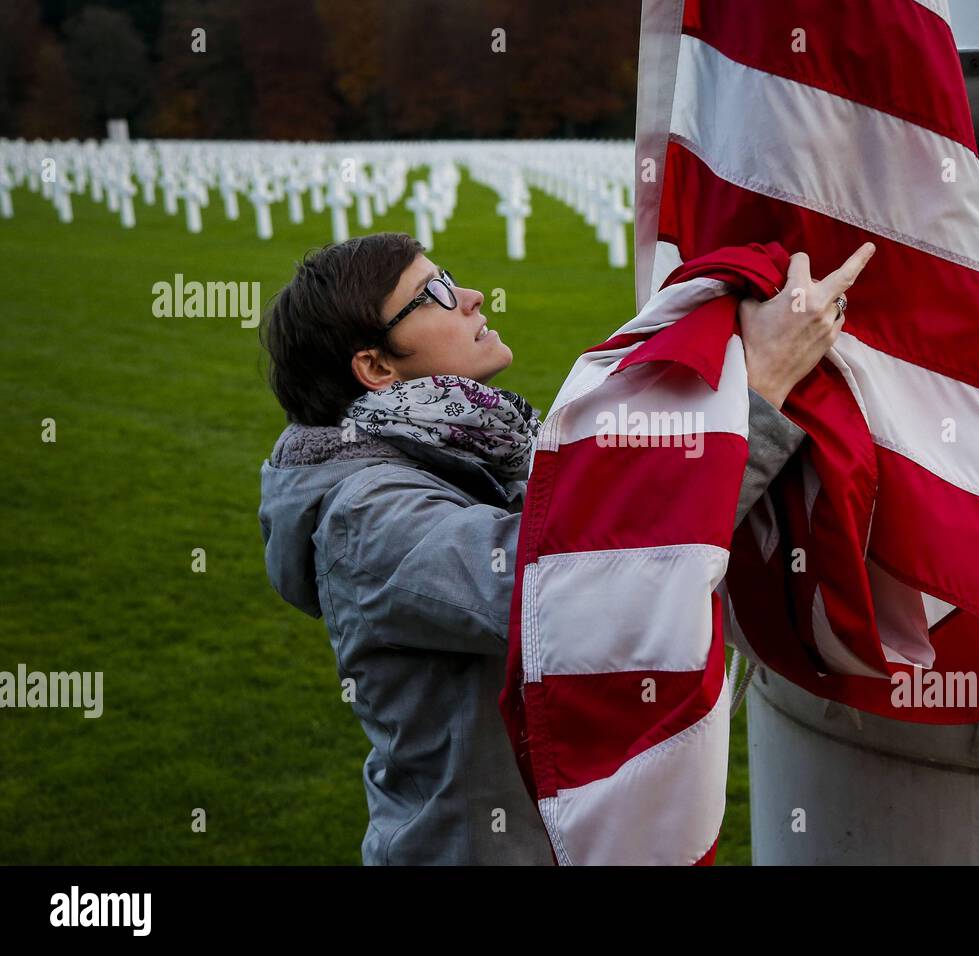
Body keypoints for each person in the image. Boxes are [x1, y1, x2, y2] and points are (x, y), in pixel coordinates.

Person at [257, 231, 875, 865]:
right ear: (378, 368)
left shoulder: (472, 447)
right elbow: (570, 588)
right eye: (433, 294)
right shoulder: (365, 520)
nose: (469, 297)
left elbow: (599, 526)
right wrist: (753, 397)